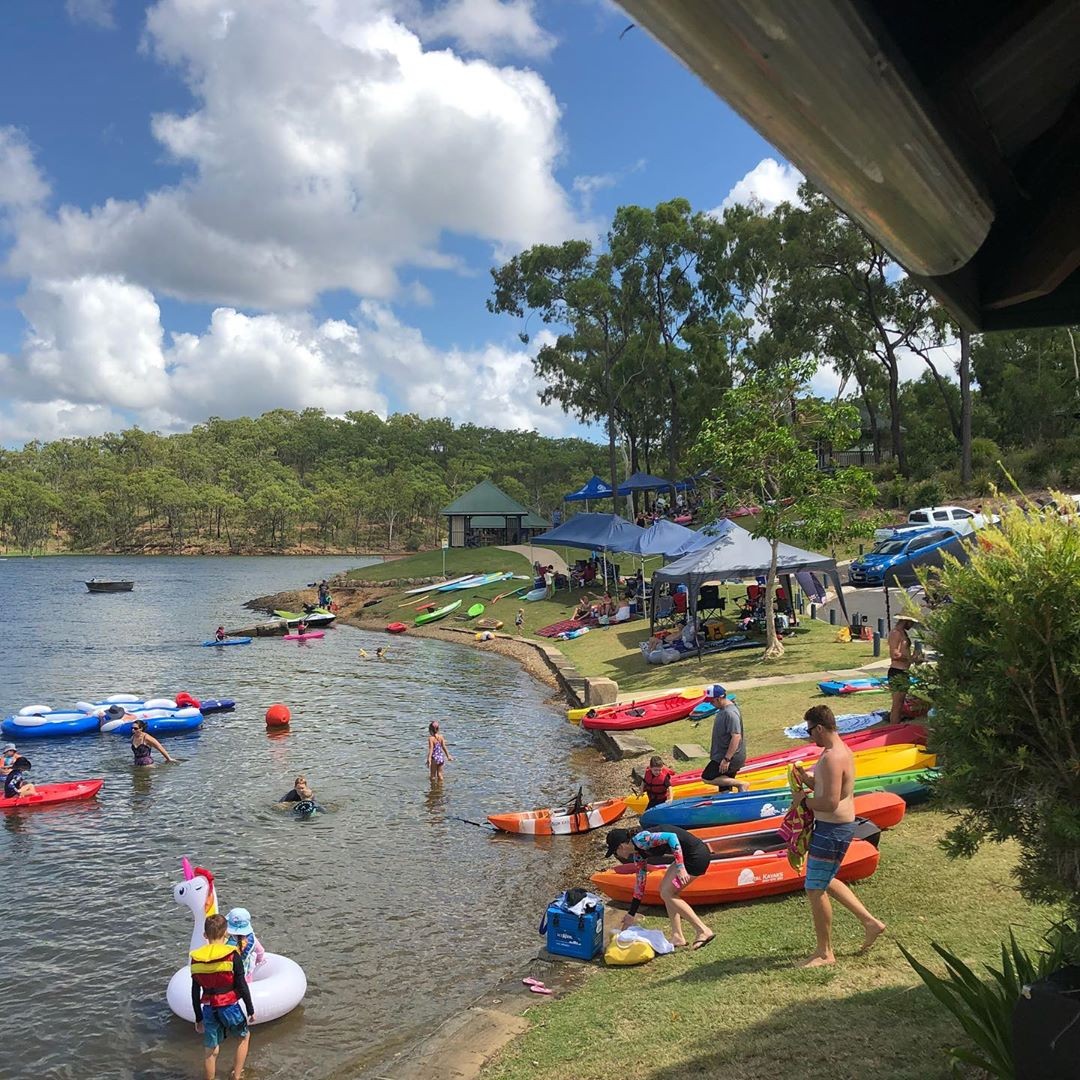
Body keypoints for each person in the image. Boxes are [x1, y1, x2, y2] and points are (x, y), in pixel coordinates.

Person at [792, 706, 886, 967]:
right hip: (832, 828)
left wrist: (803, 801)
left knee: (814, 887)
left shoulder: (833, 757)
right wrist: (806, 780)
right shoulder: (836, 753)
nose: (810, 737)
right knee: (824, 879)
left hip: (833, 829)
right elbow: (828, 788)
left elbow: (830, 802)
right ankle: (870, 923)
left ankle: (825, 953)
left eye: (810, 731)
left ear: (820, 727)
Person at [605, 826, 715, 950]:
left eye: (614, 852)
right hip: (687, 857)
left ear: (621, 846)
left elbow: (671, 837)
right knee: (666, 890)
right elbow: (640, 884)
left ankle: (703, 930)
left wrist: (680, 868)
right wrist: (631, 914)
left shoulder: (640, 839)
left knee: (667, 893)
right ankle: (677, 936)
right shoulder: (638, 855)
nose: (616, 856)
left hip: (696, 856)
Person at [190, 912, 255, 1080]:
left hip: (209, 1009)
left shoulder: (196, 959)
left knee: (211, 1049)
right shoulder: (232, 955)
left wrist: (198, 1017)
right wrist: (250, 1009)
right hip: (229, 1007)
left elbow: (195, 991)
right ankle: (237, 1075)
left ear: (205, 935)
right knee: (244, 1036)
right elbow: (241, 984)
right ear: (226, 933)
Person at [704, 686, 750, 792]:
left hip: (728, 757)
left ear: (719, 699)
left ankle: (742, 784)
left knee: (707, 777)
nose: (711, 704)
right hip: (723, 755)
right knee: (725, 788)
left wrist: (726, 759)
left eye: (711, 701)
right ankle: (738, 800)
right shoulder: (723, 709)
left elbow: (736, 736)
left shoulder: (730, 713)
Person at [887, 614, 920, 725]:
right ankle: (893, 729)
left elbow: (904, 654)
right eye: (911, 623)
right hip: (897, 671)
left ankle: (896, 726)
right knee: (897, 705)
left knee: (900, 704)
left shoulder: (903, 633)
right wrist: (911, 657)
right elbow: (894, 654)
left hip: (904, 671)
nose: (912, 625)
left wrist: (914, 658)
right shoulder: (896, 633)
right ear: (906, 620)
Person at [226, 908, 266, 983]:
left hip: (232, 975)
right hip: (246, 973)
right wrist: (258, 960)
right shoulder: (252, 939)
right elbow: (260, 951)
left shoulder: (229, 942)